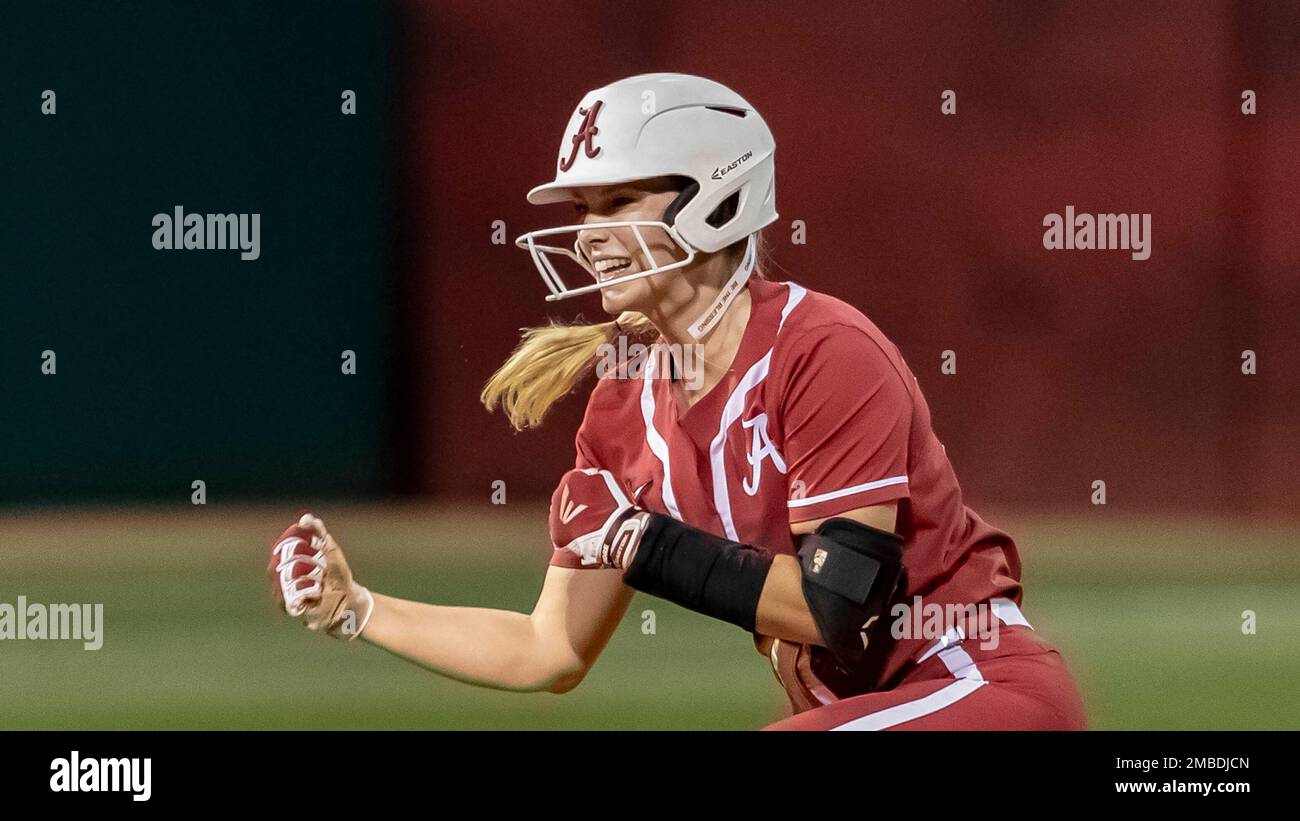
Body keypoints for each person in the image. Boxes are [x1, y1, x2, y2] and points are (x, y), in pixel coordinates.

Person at [269, 72, 1086, 730]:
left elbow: (837, 604)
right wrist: (359, 608)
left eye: (618, 200)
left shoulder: (824, 351)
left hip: (975, 687)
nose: (588, 231)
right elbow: (547, 648)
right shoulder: (622, 406)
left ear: (718, 199)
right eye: (584, 207)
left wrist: (642, 543)